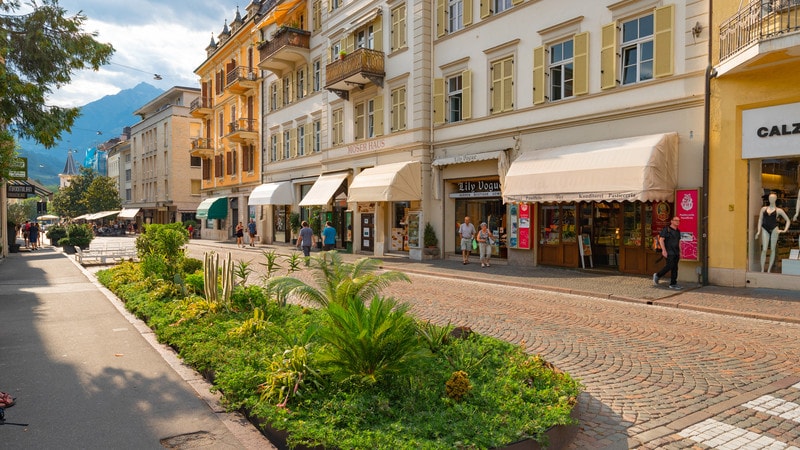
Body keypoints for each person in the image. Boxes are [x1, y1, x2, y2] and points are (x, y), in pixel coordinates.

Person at [755, 192, 791, 273]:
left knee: (772, 249)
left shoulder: (779, 210)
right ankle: (762, 269)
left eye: (773, 198)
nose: (771, 199)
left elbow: (788, 220)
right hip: (765, 228)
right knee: (764, 249)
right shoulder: (763, 209)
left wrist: (784, 230)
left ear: (775, 199)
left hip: (774, 229)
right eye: (770, 198)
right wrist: (758, 231)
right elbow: (760, 220)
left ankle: (769, 269)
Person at [653, 216, 682, 289]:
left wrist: (680, 251)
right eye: (676, 220)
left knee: (675, 268)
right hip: (669, 251)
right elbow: (661, 240)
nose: (677, 222)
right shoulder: (666, 229)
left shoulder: (678, 231)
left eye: (678, 220)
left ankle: (673, 284)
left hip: (676, 252)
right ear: (671, 221)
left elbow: (678, 242)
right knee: (670, 265)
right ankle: (658, 275)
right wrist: (664, 250)